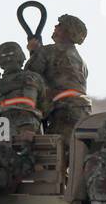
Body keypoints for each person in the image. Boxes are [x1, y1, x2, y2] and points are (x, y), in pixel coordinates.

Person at [26, 13, 90, 149]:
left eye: (60, 25)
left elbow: (29, 76)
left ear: (68, 32)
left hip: (63, 111)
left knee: (55, 153)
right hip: (83, 111)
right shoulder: (80, 61)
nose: (55, 27)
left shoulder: (48, 51)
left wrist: (33, 50)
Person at [0, 41, 49, 141]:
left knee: (2, 151)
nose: (8, 58)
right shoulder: (34, 78)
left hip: (7, 121)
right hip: (27, 120)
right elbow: (44, 104)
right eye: (5, 56)